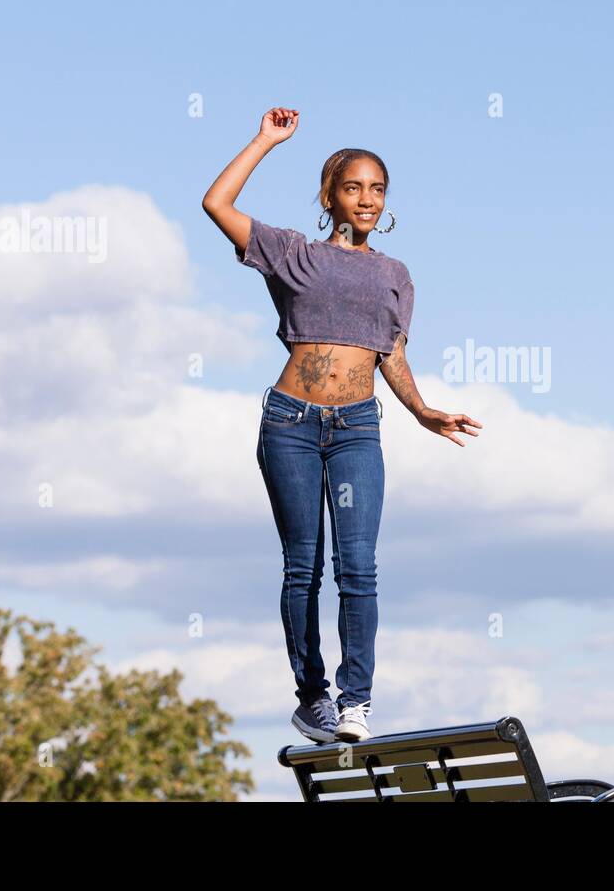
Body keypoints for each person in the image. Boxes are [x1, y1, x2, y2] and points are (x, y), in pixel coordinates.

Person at [202, 106, 483, 743]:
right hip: (291, 426)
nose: (366, 199)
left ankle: (357, 703)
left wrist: (423, 410)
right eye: (352, 188)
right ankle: (314, 699)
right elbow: (216, 202)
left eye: (377, 189)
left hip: (358, 427)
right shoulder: (291, 252)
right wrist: (266, 141)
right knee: (304, 566)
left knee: (358, 567)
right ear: (330, 196)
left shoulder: (394, 276)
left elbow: (394, 356)